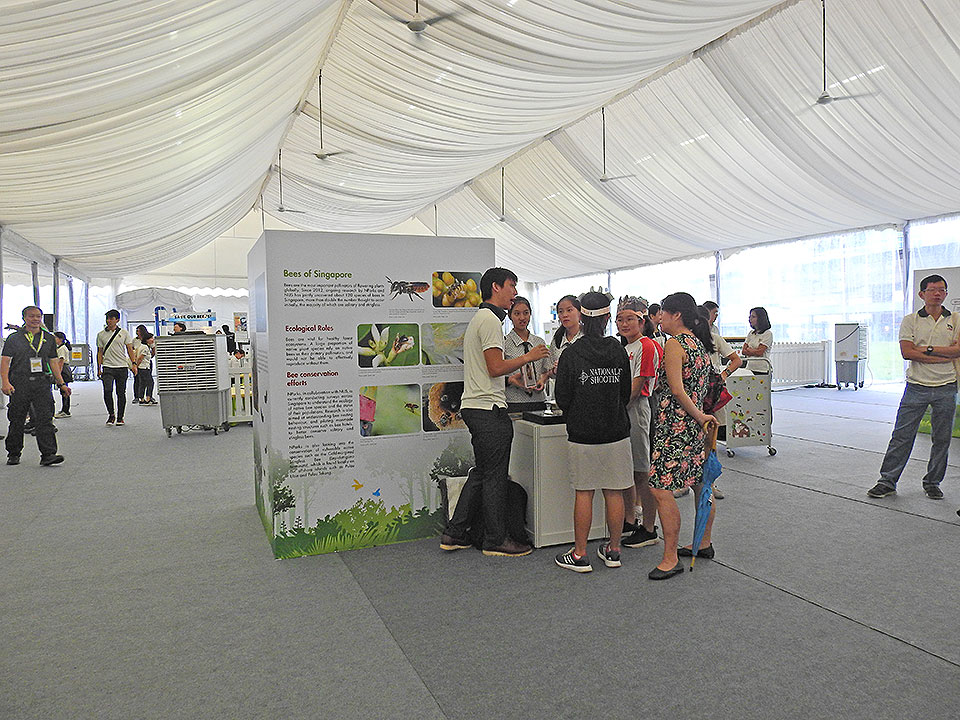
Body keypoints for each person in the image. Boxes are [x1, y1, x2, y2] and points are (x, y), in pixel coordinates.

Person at [440, 268, 549, 557]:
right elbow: (494, 367)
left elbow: (488, 370)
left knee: (483, 473)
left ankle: (454, 532)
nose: (514, 293)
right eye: (511, 286)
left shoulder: (483, 318)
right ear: (496, 287)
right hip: (488, 409)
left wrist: (508, 377)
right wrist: (529, 357)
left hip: (478, 407)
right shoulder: (489, 320)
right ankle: (495, 539)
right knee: (494, 476)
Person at [554, 291, 633, 572]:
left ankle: (580, 554)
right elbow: (625, 393)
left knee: (584, 493)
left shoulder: (571, 353)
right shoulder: (618, 350)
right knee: (614, 492)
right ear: (609, 317)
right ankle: (613, 550)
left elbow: (561, 397)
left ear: (581, 317)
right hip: (616, 432)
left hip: (583, 434)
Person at [868, 274, 960, 500]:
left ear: (946, 294)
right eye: (932, 290)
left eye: (942, 290)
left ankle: (933, 482)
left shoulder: (956, 319)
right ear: (922, 294)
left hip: (947, 387)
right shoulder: (911, 320)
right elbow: (907, 353)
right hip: (916, 387)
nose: (937, 293)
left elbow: (957, 351)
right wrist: (940, 353)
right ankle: (887, 481)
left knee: (942, 438)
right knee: (902, 435)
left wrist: (925, 350)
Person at [647, 292, 717, 580]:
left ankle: (670, 556)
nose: (659, 317)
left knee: (661, 489)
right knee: (701, 484)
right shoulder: (698, 344)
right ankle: (704, 541)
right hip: (693, 428)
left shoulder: (675, 344)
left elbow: (677, 389)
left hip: (675, 427)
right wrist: (700, 417)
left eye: (663, 312)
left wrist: (698, 416)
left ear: (676, 315)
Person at [615, 297, 663, 549]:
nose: (624, 323)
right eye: (620, 319)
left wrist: (615, 408)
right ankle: (630, 519)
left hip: (637, 410)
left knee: (642, 470)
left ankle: (649, 527)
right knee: (629, 468)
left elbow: (638, 386)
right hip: (625, 411)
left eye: (630, 318)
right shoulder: (626, 348)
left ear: (641, 321)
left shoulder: (646, 346)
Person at [1, 306, 71, 466]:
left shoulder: (48, 338)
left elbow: (53, 361)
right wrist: (5, 381)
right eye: (31, 316)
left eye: (38, 316)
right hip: (20, 382)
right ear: (24, 318)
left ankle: (48, 454)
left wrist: (61, 383)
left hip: (41, 383)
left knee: (45, 419)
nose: (35, 319)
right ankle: (14, 452)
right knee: (17, 418)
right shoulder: (14, 338)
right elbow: (5, 360)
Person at [701, 301, 742, 499]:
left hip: (713, 394)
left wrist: (723, 375)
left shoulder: (715, 338)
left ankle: (711, 482)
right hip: (694, 396)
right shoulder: (685, 342)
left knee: (711, 441)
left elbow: (736, 359)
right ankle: (687, 482)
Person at [503, 296, 550, 412]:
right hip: (514, 402)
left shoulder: (539, 342)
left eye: (526, 313)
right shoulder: (504, 343)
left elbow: (546, 370)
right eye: (517, 313)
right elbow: (496, 372)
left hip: (538, 401)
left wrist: (542, 380)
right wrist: (511, 381)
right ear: (510, 316)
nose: (522, 318)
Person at [97, 310, 138, 426]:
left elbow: (130, 349)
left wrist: (134, 363)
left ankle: (120, 417)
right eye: (107, 319)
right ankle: (111, 414)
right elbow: (99, 352)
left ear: (117, 320)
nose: (109, 321)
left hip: (122, 367)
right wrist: (99, 368)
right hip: (108, 367)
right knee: (107, 390)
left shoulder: (124, 333)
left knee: (121, 392)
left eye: (111, 318)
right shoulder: (101, 334)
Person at [548, 295, 583, 374]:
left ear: (580, 312)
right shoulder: (557, 339)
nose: (564, 315)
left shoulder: (588, 336)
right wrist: (555, 370)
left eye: (569, 310)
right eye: (560, 311)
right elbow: (548, 371)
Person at [742, 306, 773, 374]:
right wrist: (754, 351)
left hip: (762, 369)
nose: (750, 319)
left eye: (753, 317)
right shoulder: (751, 333)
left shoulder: (767, 333)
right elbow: (743, 351)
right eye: (750, 317)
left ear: (760, 318)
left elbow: (760, 352)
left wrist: (749, 350)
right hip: (749, 368)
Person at [132, 325, 156, 405]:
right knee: (150, 383)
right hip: (143, 367)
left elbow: (153, 350)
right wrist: (135, 366)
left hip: (142, 366)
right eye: (151, 339)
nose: (152, 340)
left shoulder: (144, 346)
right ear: (147, 340)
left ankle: (141, 399)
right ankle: (147, 398)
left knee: (142, 383)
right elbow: (140, 358)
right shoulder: (144, 347)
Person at [53, 332, 73, 418]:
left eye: (55, 338)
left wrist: (58, 376)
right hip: (63, 368)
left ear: (60, 339)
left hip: (63, 370)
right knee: (63, 391)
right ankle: (64, 409)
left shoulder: (62, 349)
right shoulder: (60, 348)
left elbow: (61, 362)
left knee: (64, 390)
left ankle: (66, 410)